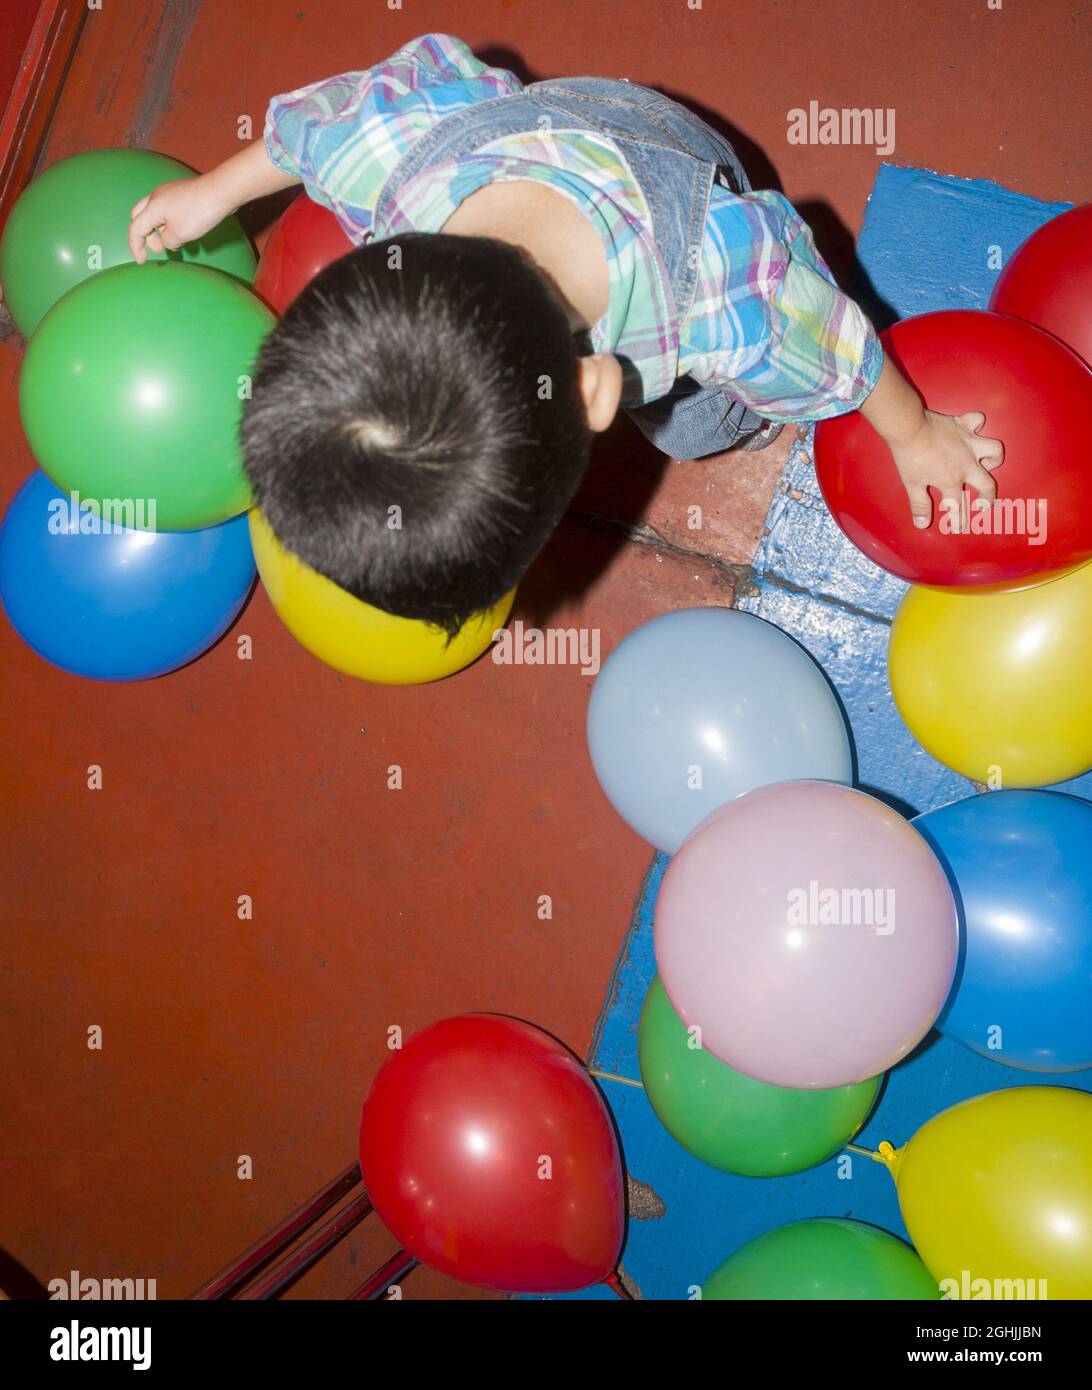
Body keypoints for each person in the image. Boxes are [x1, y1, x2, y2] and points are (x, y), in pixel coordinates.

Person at [129, 34, 1002, 636]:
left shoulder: (713, 294)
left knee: (696, 430)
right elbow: (323, 121)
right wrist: (216, 191)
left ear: (596, 390)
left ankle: (740, 419)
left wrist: (916, 434)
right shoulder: (389, 158)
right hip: (568, 127)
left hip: (681, 172)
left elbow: (834, 342)